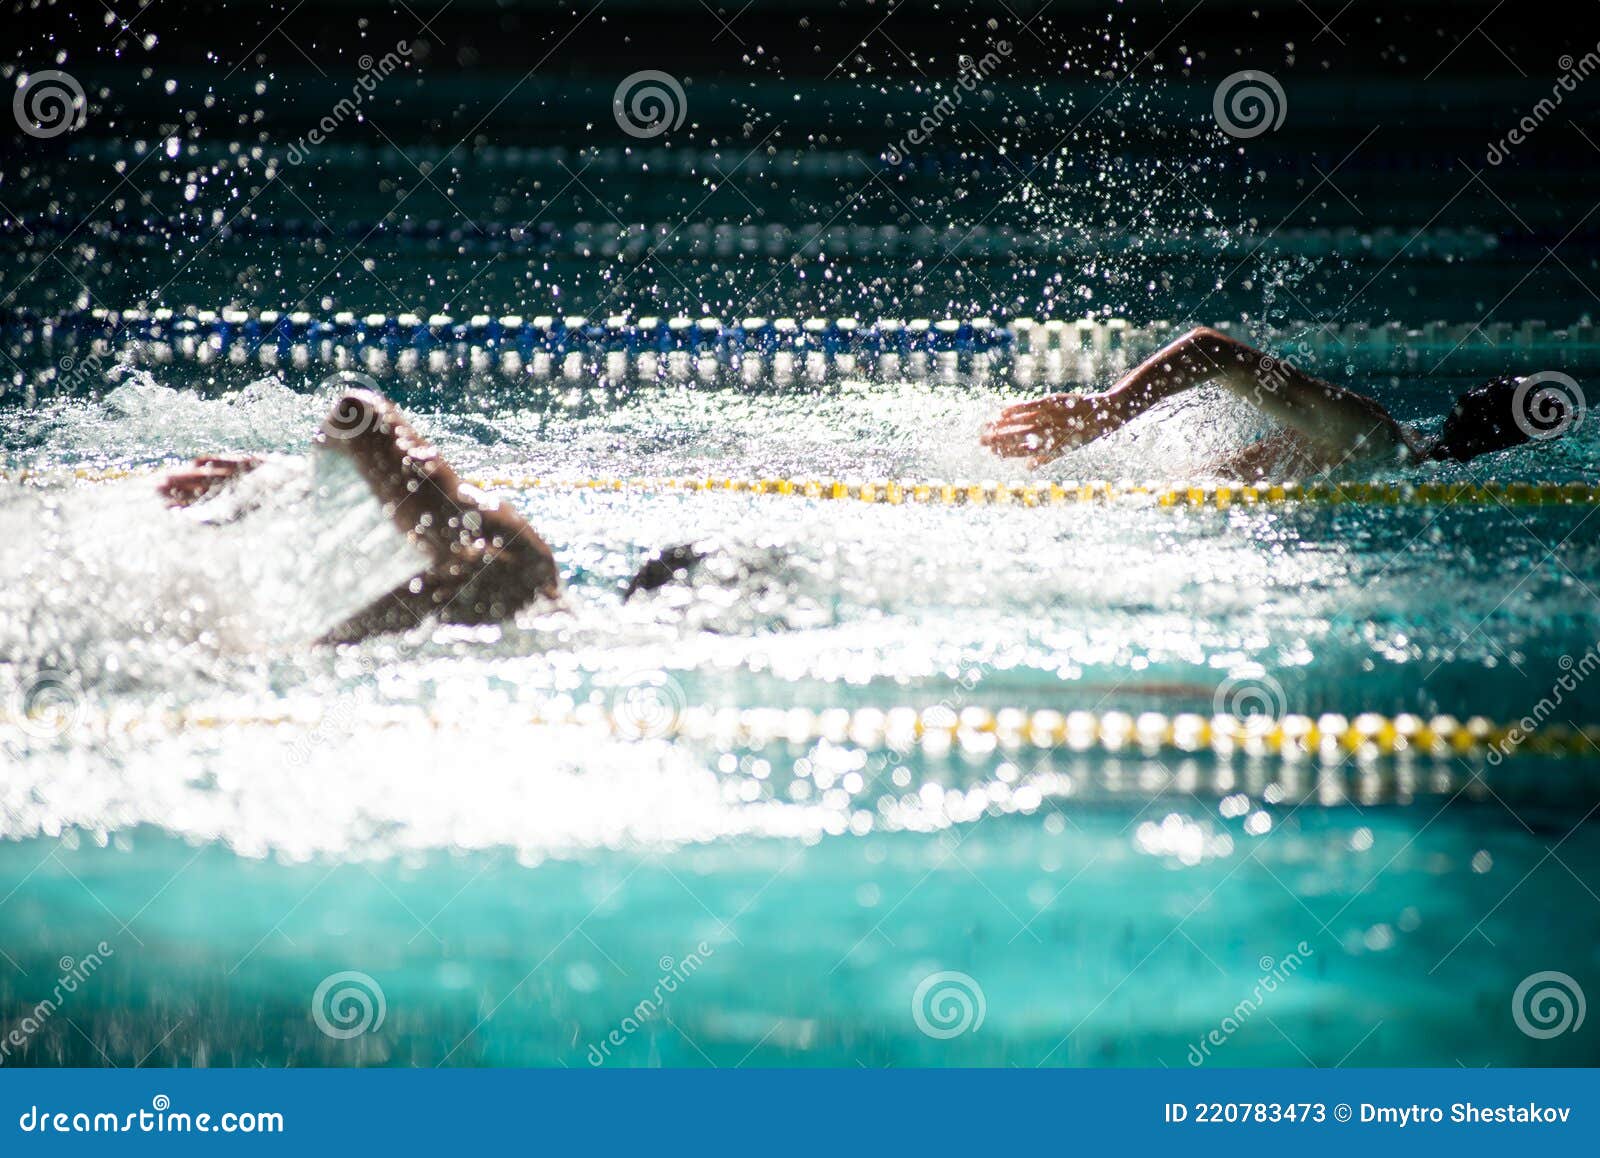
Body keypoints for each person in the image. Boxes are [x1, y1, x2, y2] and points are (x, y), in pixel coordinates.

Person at [161, 389, 561, 644]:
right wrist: (287, 483)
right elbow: (358, 412)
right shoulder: (515, 564)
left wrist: (284, 481)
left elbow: (358, 411)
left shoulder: (520, 561)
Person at [980, 325, 1576, 477]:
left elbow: (1211, 350)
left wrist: (1109, 409)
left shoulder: (1377, 437)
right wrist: (1106, 410)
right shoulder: (1384, 448)